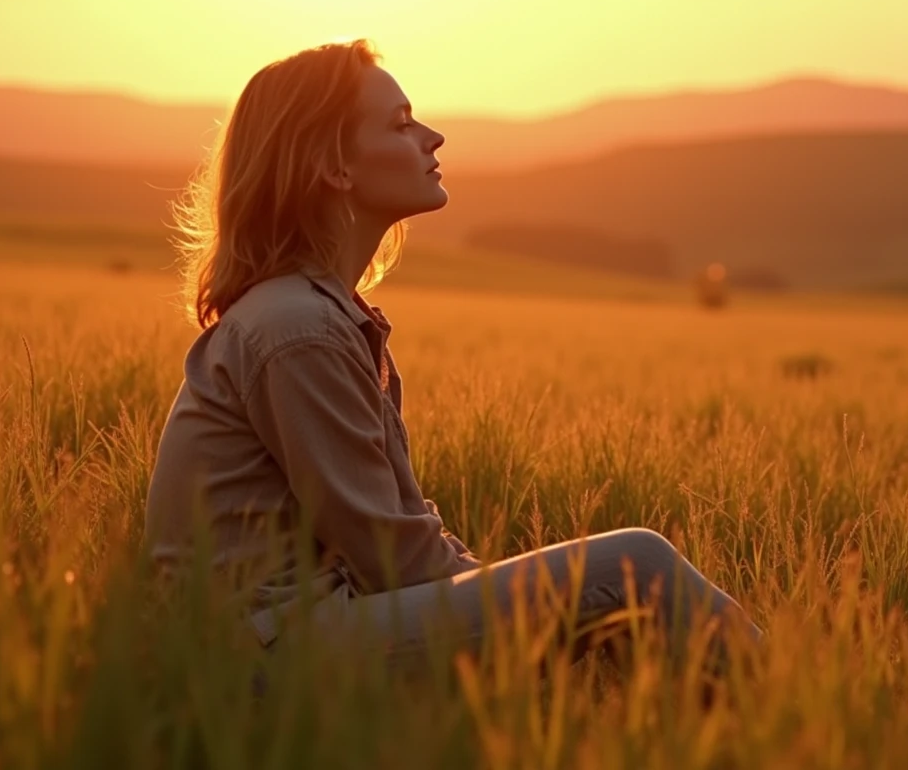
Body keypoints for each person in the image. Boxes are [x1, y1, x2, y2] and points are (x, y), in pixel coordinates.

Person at [143, 39, 758, 674]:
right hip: (265, 661)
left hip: (289, 636)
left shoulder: (313, 315)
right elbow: (394, 558)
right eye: (401, 124)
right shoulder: (300, 330)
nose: (433, 137)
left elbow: (400, 534)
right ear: (334, 166)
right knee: (636, 567)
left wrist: (517, 600)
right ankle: (799, 710)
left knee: (600, 597)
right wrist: (534, 604)